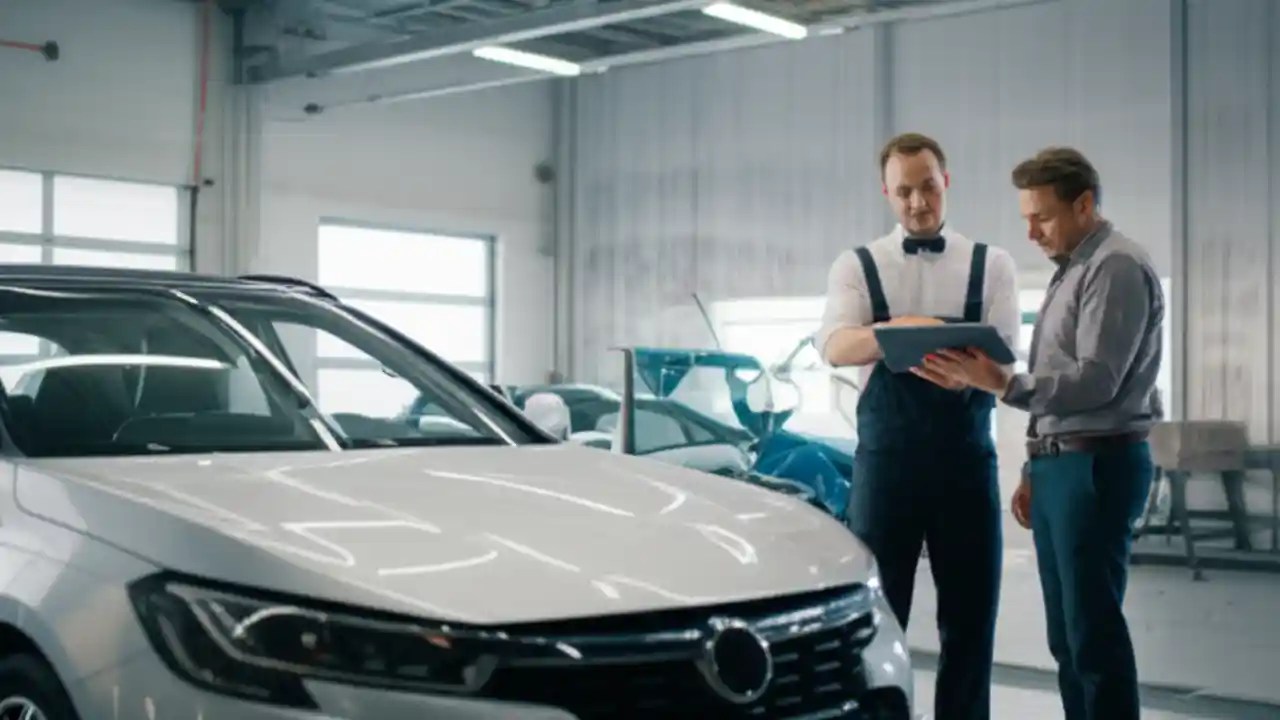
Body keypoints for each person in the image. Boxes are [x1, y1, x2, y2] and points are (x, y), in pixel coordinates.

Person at [916, 146, 1164, 720]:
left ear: (1084, 204)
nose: (1029, 231)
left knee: (1092, 634)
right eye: (1025, 217)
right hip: (1063, 466)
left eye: (1042, 217)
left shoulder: (1116, 267)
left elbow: (1097, 382)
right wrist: (1035, 465)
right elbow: (1060, 379)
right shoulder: (1072, 269)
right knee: (1067, 638)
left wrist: (1002, 384)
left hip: (1096, 467)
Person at [815, 132, 1020, 720]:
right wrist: (899, 328)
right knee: (878, 620)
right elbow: (833, 344)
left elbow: (1005, 362)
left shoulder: (993, 264)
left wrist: (971, 375)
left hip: (966, 463)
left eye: (927, 186)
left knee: (972, 620)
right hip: (887, 464)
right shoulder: (857, 265)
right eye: (903, 191)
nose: (917, 202)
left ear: (946, 181)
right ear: (886, 193)